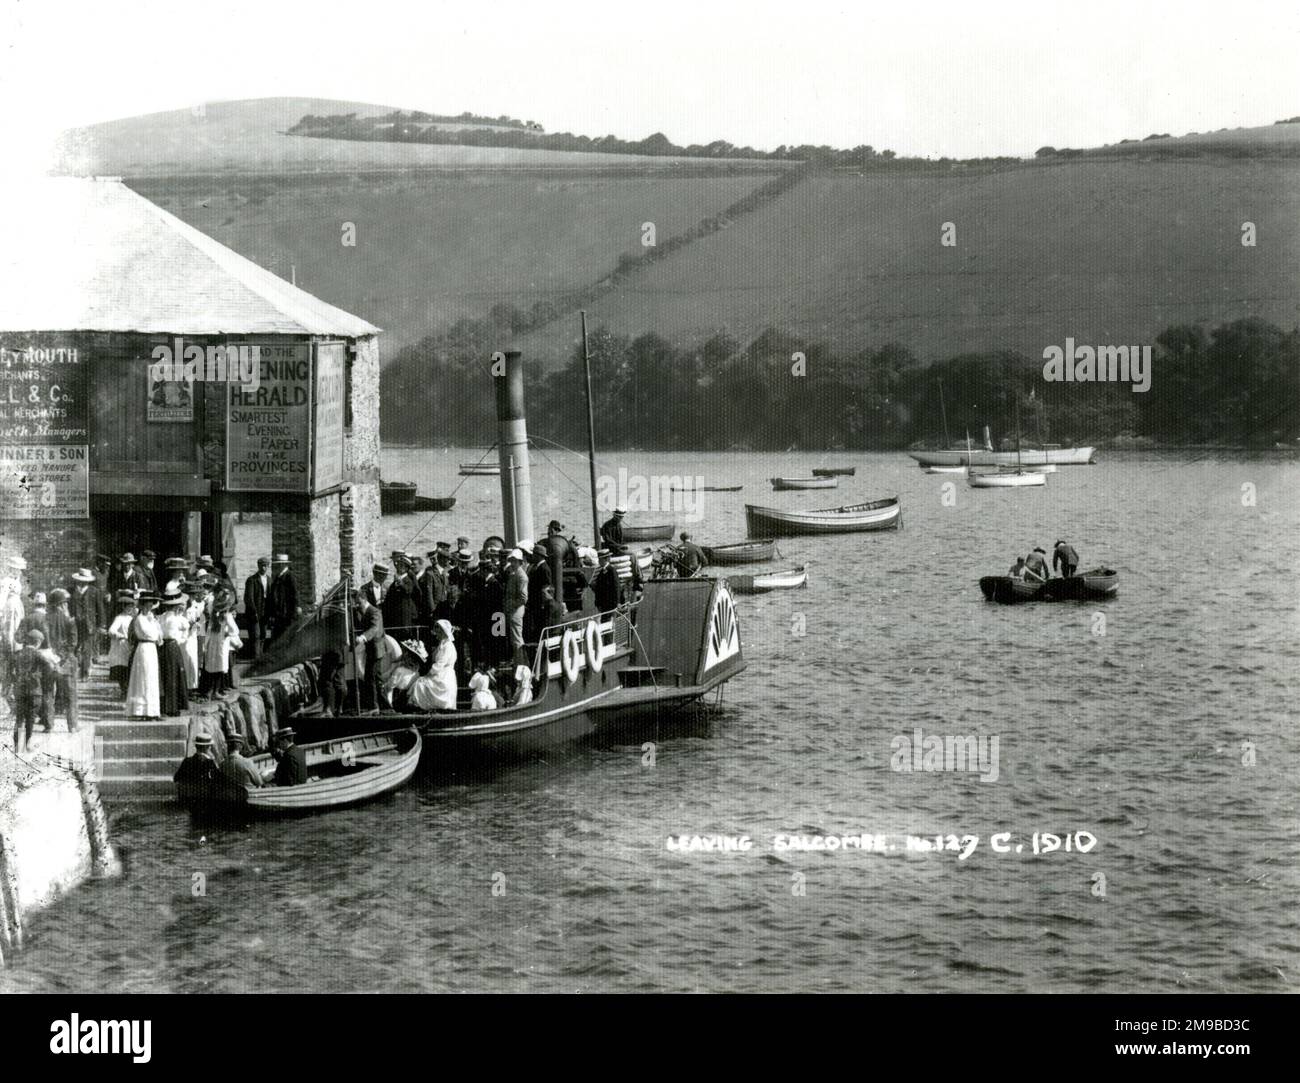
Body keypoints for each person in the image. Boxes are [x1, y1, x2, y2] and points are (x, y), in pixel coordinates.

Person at [12, 629, 56, 752]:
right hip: (34, 690)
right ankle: (27, 744)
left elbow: (10, 669)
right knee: (30, 718)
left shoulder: (17, 654)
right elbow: (49, 666)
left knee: (19, 718)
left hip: (20, 689)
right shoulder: (38, 654)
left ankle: (16, 746)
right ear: (37, 642)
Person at [45, 588, 79, 732]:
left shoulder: (45, 619)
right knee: (70, 695)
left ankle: (49, 725)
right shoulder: (69, 619)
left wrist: (52, 655)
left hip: (48, 661)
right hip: (66, 663)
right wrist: (62, 656)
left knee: (48, 694)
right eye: (65, 603)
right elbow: (73, 642)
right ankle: (72, 726)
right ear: (62, 604)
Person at [126, 593, 162, 719]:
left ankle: (152, 711)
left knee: (151, 678)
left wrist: (155, 626)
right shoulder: (140, 619)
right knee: (143, 677)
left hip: (152, 649)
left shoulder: (151, 618)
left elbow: (159, 635)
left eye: (151, 604)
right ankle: (140, 711)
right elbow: (150, 634)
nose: (149, 607)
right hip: (144, 648)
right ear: (142, 606)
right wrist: (155, 628)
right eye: (146, 604)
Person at [157, 587, 191, 717]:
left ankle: (165, 706)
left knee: (166, 675)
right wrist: (182, 639)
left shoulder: (160, 617)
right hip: (172, 646)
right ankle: (173, 706)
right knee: (174, 675)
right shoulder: (177, 619)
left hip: (163, 647)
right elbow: (186, 628)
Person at [409, 620, 457, 711]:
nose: (436, 634)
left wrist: (429, 673)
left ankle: (421, 706)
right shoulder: (442, 644)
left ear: (443, 632)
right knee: (420, 681)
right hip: (441, 673)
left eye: (438, 632)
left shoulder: (448, 646)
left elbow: (440, 664)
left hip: (443, 675)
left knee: (420, 683)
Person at [200, 591, 241, 697]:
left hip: (212, 642)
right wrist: (228, 633)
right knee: (220, 666)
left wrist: (206, 643)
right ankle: (216, 691)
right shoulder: (227, 616)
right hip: (222, 643)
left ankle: (210, 690)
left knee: (212, 666)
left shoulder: (213, 613)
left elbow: (208, 629)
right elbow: (235, 630)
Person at [69, 568, 106, 678]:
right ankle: (73, 671)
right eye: (80, 580)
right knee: (74, 646)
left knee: (87, 649)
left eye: (84, 581)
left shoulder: (94, 591)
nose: (82, 582)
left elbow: (100, 609)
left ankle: (85, 673)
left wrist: (101, 624)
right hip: (74, 623)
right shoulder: (71, 590)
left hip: (89, 624)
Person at [0, 554, 26, 710]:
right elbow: (2, 601)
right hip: (10, 613)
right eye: (18, 569)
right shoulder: (6, 583)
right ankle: (9, 701)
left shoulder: (15, 583)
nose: (20, 573)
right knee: (9, 669)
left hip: (15, 609)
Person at [173, 731, 224, 797]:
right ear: (207, 747)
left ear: (196, 746)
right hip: (205, 799)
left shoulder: (187, 761)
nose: (210, 748)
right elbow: (219, 779)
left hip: (189, 798)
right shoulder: (210, 762)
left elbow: (176, 778)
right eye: (210, 746)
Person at [106, 590, 137, 697]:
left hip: (130, 645)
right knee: (122, 668)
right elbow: (111, 631)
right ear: (123, 607)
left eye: (131, 607)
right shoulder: (119, 618)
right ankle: (124, 690)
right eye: (128, 607)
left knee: (130, 668)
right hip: (121, 645)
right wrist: (121, 636)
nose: (130, 609)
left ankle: (128, 690)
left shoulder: (132, 618)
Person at [524, 544, 554, 644]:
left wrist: (542, 603)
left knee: (540, 626)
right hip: (534, 603)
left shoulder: (544, 568)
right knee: (535, 626)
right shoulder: (536, 567)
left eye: (535, 554)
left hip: (540, 604)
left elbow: (546, 587)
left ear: (539, 556)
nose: (533, 556)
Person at [266, 554, 300, 642]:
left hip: (286, 613)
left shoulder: (290, 576)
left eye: (279, 564)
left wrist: (292, 612)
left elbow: (295, 595)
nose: (277, 566)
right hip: (279, 613)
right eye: (277, 564)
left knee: (286, 635)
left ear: (283, 565)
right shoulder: (278, 577)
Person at [503, 548, 528, 663]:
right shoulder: (514, 574)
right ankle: (518, 663)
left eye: (514, 561)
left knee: (517, 640)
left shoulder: (521, 576)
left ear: (520, 562)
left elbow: (523, 598)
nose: (512, 563)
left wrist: (510, 604)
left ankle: (521, 665)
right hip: (511, 610)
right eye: (511, 560)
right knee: (514, 640)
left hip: (515, 611)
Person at [386, 639, 427, 712]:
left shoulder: (399, 670)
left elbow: (390, 686)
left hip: (396, 700)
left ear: (407, 656)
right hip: (408, 700)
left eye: (405, 653)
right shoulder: (417, 673)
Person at [242, 556, 271, 657]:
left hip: (265, 611)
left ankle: (261, 655)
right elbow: (248, 598)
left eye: (266, 566)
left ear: (268, 567)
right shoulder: (252, 580)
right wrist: (253, 611)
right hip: (255, 611)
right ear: (258, 566)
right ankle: (255, 657)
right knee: (256, 635)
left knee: (263, 634)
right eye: (262, 566)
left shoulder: (269, 580)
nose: (263, 568)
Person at [592, 548, 621, 613]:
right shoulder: (601, 572)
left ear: (606, 559)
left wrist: (617, 602)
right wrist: (598, 603)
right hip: (604, 604)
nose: (599, 561)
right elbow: (598, 588)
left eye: (600, 559)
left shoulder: (612, 571)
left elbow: (616, 587)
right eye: (599, 559)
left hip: (611, 603)